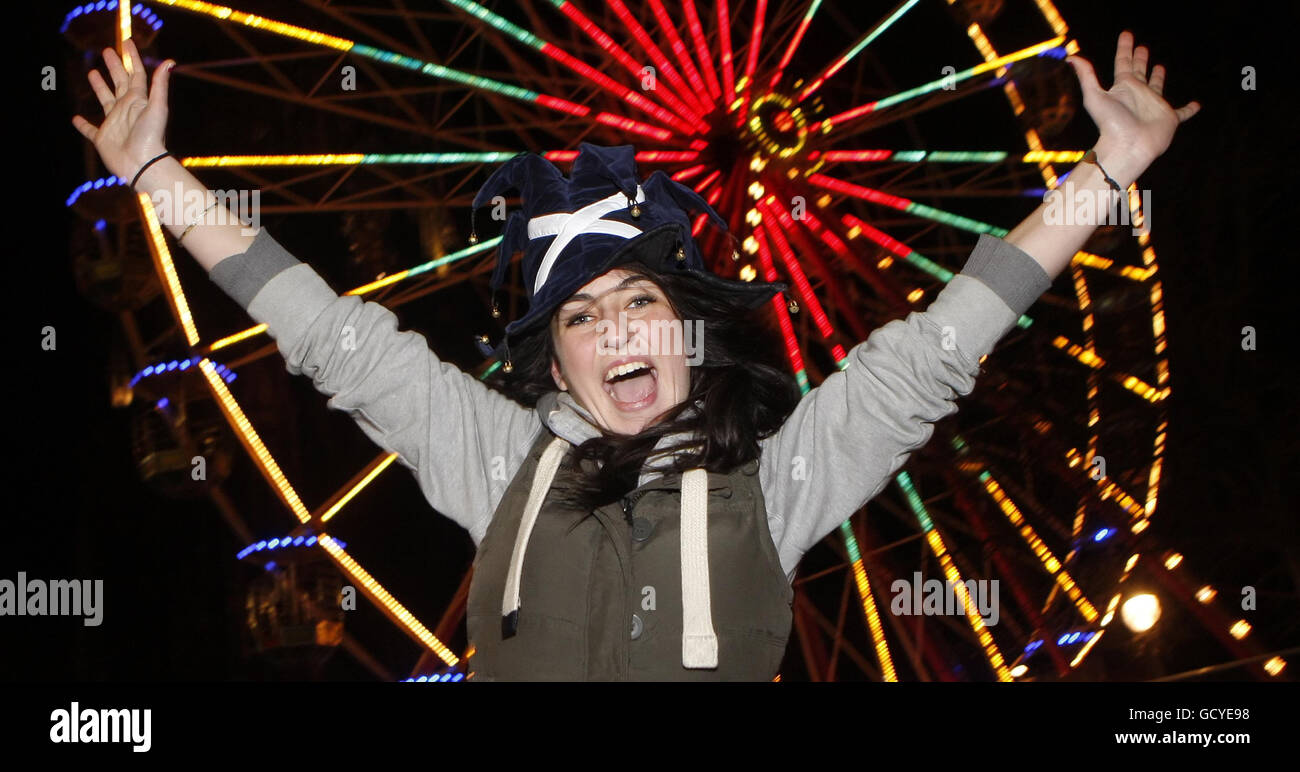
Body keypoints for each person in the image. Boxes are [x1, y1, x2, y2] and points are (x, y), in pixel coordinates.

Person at [73, 33, 1199, 681]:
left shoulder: (775, 485)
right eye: (579, 316)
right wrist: (151, 176)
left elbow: (932, 352)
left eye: (636, 299)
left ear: (689, 332)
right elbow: (331, 336)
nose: (611, 325)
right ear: (553, 366)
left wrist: (1105, 174)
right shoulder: (495, 463)